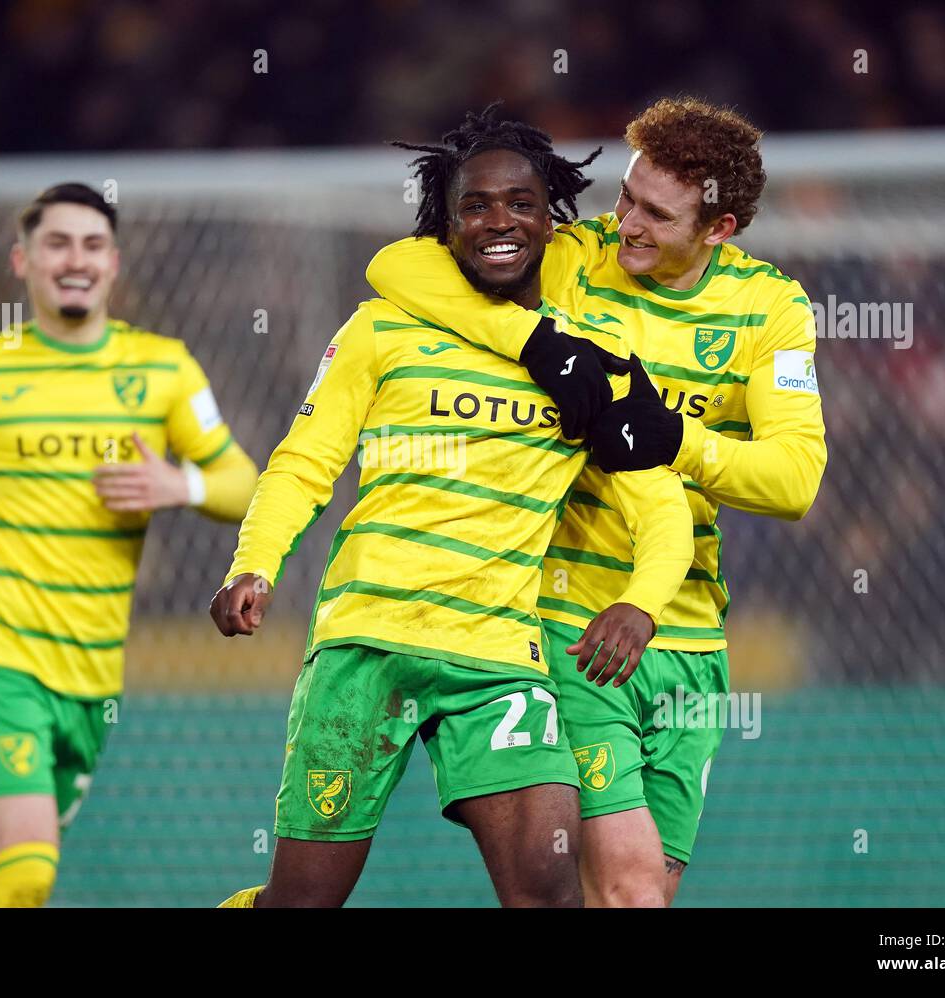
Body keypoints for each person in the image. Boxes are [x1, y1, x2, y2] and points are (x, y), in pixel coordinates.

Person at [212, 107, 692, 908]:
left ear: (552, 221)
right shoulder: (380, 329)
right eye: (475, 205)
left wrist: (643, 604)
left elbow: (660, 504)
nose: (498, 220)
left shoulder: (588, 365)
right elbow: (304, 462)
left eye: (520, 203)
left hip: (498, 658)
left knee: (548, 889)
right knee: (302, 902)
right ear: (446, 222)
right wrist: (253, 564)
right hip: (368, 641)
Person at [366, 97, 828, 906]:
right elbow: (395, 266)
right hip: (572, 623)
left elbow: (794, 479)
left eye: (656, 213)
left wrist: (675, 440)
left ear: (718, 231)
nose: (627, 223)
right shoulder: (576, 256)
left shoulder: (771, 307)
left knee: (635, 893)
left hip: (688, 634)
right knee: (630, 891)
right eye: (626, 196)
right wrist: (538, 342)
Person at [0, 183, 258, 907]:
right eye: (57, 243)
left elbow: (243, 482)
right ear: (22, 260)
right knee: (27, 872)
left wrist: (178, 486)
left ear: (114, 263)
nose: (75, 259)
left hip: (89, 678)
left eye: (92, 245)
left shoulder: (164, 369)